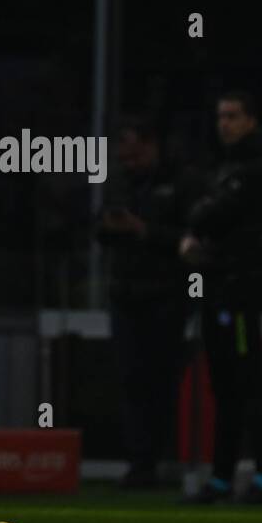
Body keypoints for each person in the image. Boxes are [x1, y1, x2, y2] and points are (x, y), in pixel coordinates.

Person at [179, 92, 262, 505]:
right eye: (221, 116)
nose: (225, 124)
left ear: (251, 120)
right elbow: (205, 211)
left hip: (240, 288)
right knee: (223, 384)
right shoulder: (224, 166)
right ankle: (221, 477)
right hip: (217, 285)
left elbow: (212, 212)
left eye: (233, 116)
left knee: (251, 381)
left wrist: (200, 226)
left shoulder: (258, 167)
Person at [96, 115, 200, 488]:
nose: (130, 163)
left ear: (153, 146)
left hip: (165, 296)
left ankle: (164, 458)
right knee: (131, 380)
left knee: (162, 381)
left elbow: (191, 239)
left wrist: (144, 231)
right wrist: (108, 227)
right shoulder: (121, 184)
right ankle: (139, 463)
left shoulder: (182, 182)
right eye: (124, 156)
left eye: (136, 154)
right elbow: (100, 230)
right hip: (126, 294)